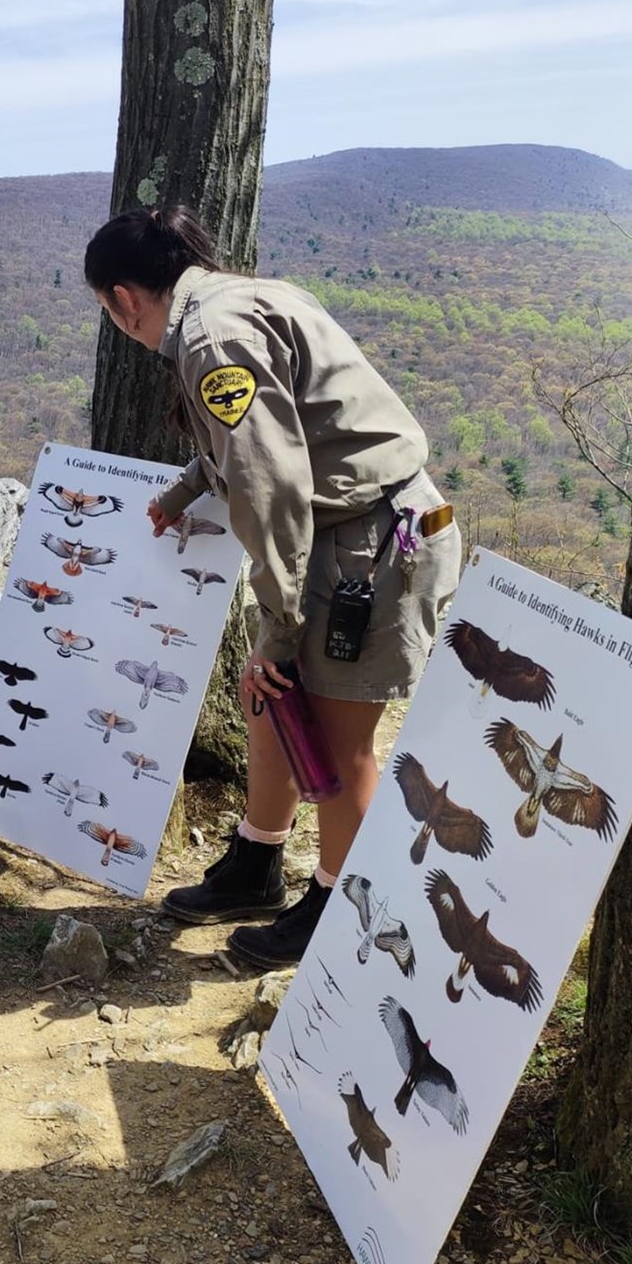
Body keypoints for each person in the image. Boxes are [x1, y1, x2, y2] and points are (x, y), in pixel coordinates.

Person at [84, 206, 461, 969]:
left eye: (106, 309)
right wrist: (185, 491)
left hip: (370, 544)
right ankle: (256, 862)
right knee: (270, 702)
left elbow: (274, 486)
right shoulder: (243, 298)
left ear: (124, 298)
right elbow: (270, 434)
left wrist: (278, 630)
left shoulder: (211, 337)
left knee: (337, 741)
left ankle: (331, 905)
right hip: (354, 530)